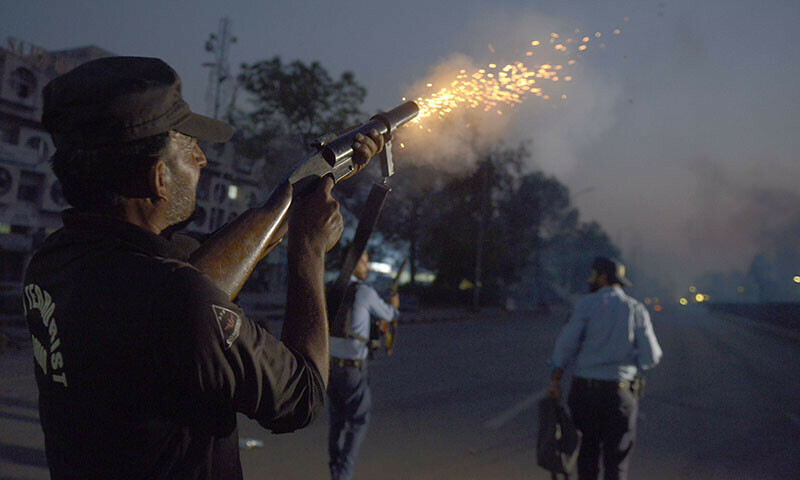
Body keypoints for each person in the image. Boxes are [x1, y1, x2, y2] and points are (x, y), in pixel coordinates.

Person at [23, 56, 385, 479]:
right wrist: (309, 248)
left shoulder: (52, 264)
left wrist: (296, 195)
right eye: (189, 147)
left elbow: (193, 265)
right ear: (158, 177)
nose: (202, 159)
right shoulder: (176, 296)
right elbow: (302, 396)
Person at [546, 257, 663, 480]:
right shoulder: (635, 309)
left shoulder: (585, 305)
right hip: (620, 395)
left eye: (592, 275)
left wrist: (555, 381)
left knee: (586, 456)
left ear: (602, 277)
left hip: (585, 394)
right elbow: (651, 357)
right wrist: (628, 360)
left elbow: (565, 346)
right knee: (616, 462)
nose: (589, 280)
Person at [328, 249, 399, 480]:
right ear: (353, 263)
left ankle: (335, 469)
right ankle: (343, 475)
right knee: (358, 421)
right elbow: (388, 315)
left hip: (329, 366)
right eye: (364, 262)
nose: (367, 267)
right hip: (352, 368)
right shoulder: (364, 292)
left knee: (337, 421)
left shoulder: (331, 288)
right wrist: (394, 306)